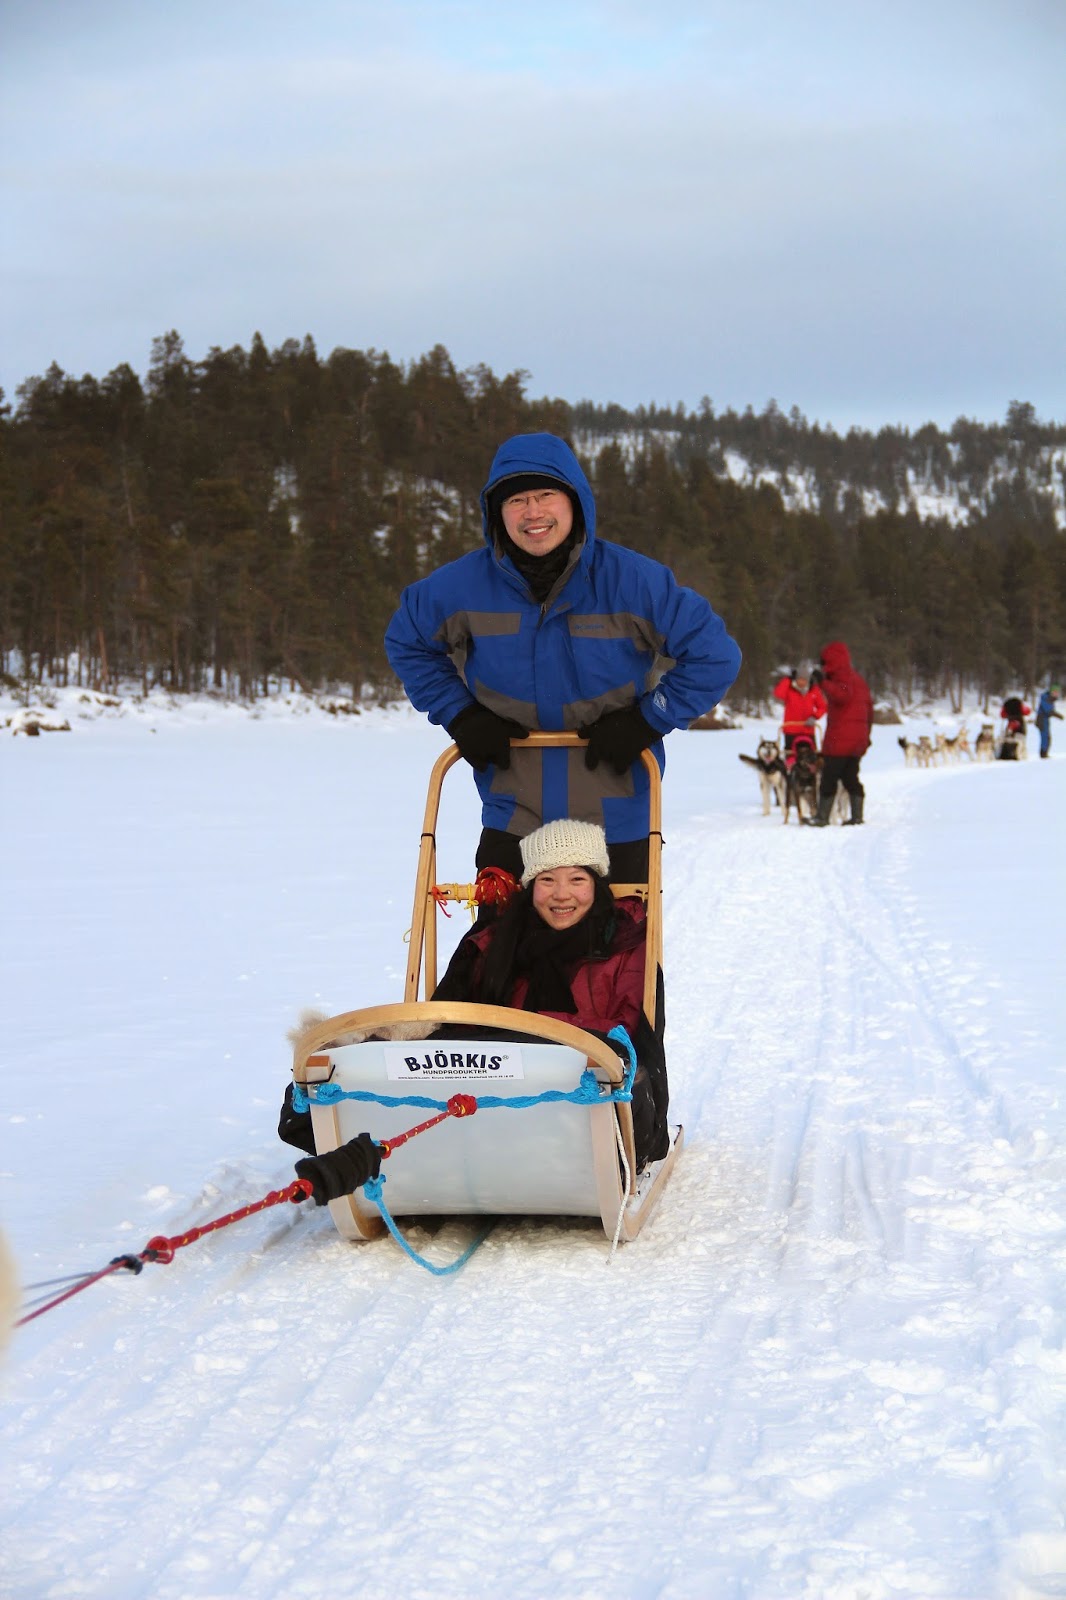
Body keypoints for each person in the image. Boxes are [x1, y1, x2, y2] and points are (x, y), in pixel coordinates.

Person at [384, 431, 741, 886]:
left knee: (617, 935)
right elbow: (408, 640)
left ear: (575, 502)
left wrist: (647, 721)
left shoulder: (633, 581)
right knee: (500, 934)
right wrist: (461, 714)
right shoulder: (462, 586)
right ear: (496, 513)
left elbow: (714, 655)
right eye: (516, 500)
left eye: (545, 495)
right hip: (513, 815)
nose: (532, 512)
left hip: (617, 815)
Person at [279, 819, 669, 1175]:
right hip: (488, 1089)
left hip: (578, 1090)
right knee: (364, 1065)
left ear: (596, 883)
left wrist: (527, 1041)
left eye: (577, 879)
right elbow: (444, 1016)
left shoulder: (626, 943)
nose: (562, 894)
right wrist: (373, 1044)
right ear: (530, 886)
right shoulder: (492, 943)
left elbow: (626, 1036)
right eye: (547, 879)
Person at [807, 640, 873, 826]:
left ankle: (822, 817)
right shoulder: (858, 679)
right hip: (857, 739)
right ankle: (857, 816)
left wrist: (823, 682)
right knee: (850, 777)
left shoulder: (841, 678)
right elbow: (869, 710)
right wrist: (866, 736)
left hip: (840, 739)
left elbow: (842, 695)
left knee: (829, 777)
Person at [772, 665, 827, 757]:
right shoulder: (789, 688)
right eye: (800, 679)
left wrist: (815, 717)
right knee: (790, 756)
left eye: (804, 680)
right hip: (791, 729)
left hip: (808, 729)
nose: (802, 682)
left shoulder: (814, 690)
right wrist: (787, 680)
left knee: (811, 756)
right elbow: (778, 694)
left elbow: (823, 707)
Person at [998, 695, 1032, 760]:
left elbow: (1002, 715)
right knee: (1020, 739)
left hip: (1010, 724)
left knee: (1007, 736)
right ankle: (1021, 753)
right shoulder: (1020, 705)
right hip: (1020, 727)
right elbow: (1027, 711)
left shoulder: (1006, 705)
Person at [1035, 687, 1062, 759]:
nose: (1056, 694)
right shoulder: (1046, 698)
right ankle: (1043, 753)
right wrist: (1060, 716)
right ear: (1051, 692)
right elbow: (1048, 710)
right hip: (1041, 720)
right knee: (1045, 737)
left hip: (1045, 719)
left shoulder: (1049, 699)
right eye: (1055, 692)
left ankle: (1045, 752)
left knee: (1047, 737)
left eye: (1057, 693)